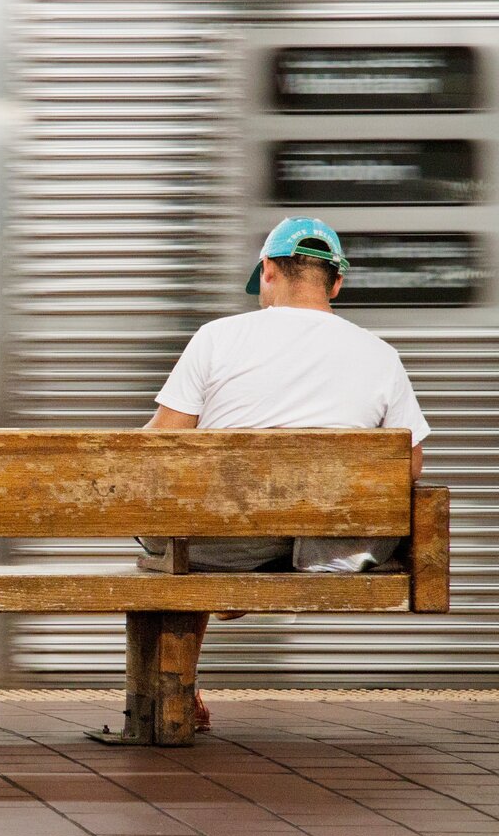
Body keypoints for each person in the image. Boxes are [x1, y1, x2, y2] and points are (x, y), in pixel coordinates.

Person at [141, 217, 430, 731]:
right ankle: (250, 573)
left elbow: (158, 449)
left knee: (177, 541)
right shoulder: (380, 355)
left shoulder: (217, 338)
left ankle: (178, 687)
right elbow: (409, 466)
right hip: (337, 552)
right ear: (336, 283)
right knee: (212, 534)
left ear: (269, 271)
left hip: (224, 544)